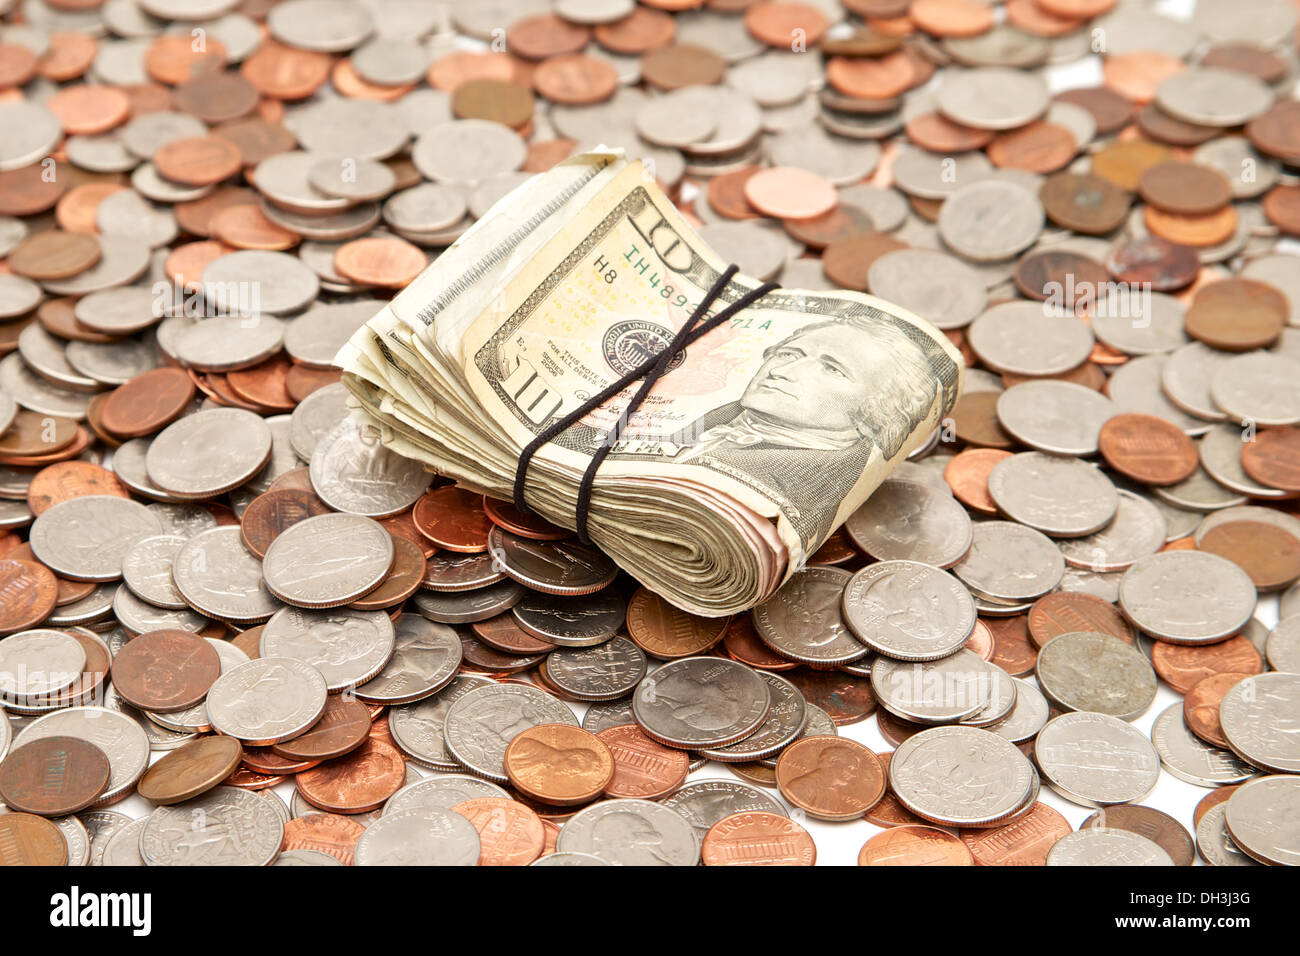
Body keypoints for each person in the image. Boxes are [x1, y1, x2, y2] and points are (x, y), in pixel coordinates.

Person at [673, 313, 955, 547]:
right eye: (788, 353)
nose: (782, 371)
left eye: (832, 369)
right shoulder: (708, 422)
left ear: (878, 408)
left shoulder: (802, 489)